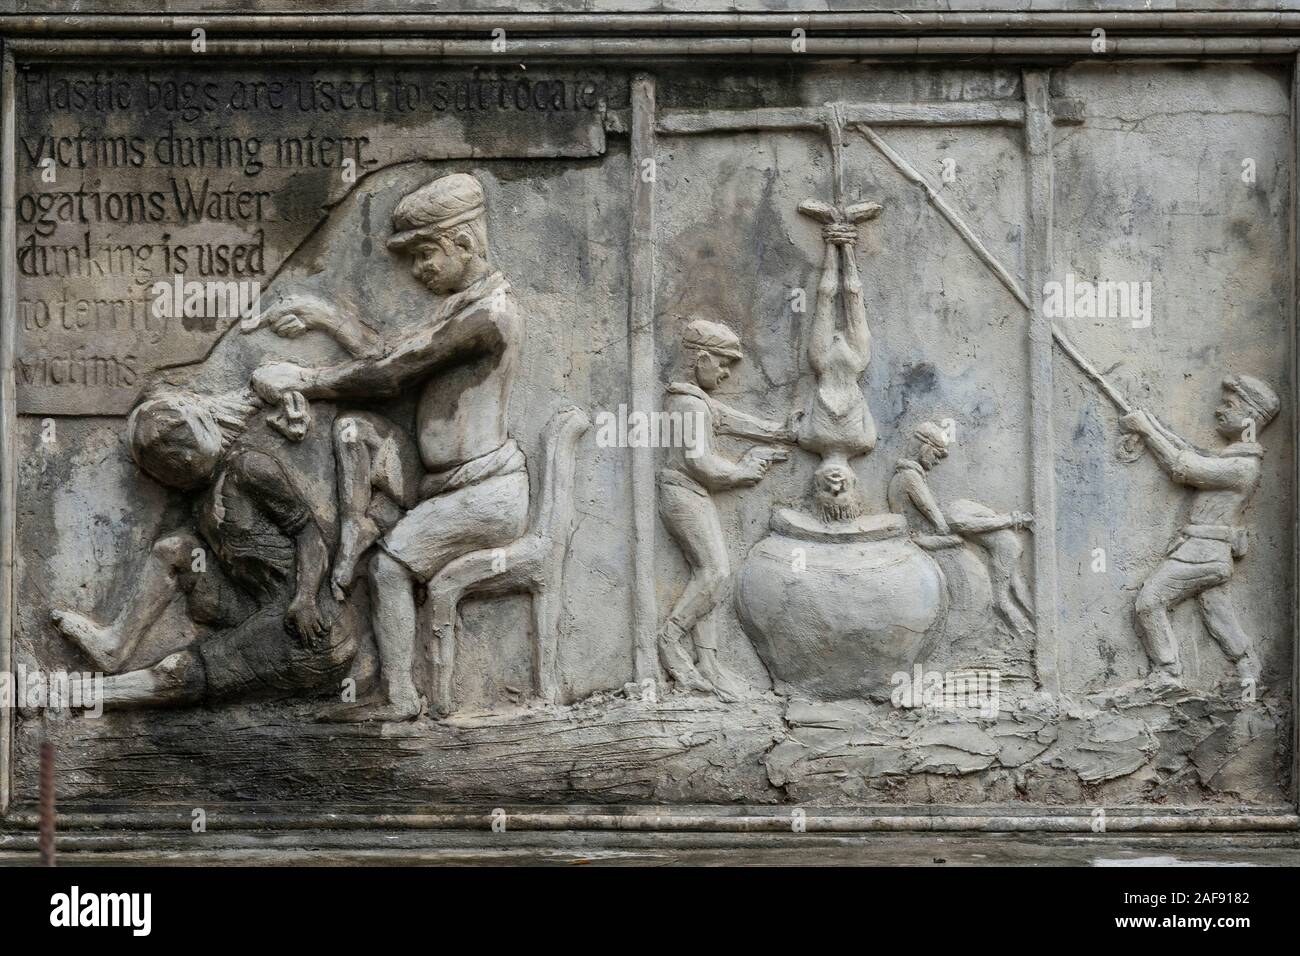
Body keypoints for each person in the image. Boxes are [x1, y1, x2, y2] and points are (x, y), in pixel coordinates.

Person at [251, 173, 528, 720]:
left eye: (425, 256)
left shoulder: (488, 315)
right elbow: (391, 357)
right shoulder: (461, 304)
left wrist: (302, 379)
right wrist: (328, 318)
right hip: (438, 485)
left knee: (388, 569)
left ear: (464, 243)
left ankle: (400, 698)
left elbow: (392, 375)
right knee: (353, 429)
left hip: (485, 494)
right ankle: (357, 527)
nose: (418, 271)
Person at [50, 388, 357, 706]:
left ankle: (76, 696)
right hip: (253, 605)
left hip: (310, 630)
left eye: (179, 445)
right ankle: (112, 647)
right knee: (175, 549)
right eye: (161, 462)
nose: (179, 460)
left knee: (178, 673)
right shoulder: (202, 496)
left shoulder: (252, 468)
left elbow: (309, 534)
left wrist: (305, 598)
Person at [658, 319, 793, 700]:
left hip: (691, 494)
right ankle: (670, 642)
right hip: (683, 493)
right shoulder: (686, 404)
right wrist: (743, 471)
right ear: (700, 358)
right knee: (714, 574)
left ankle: (709, 662)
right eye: (722, 363)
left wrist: (781, 430)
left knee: (710, 577)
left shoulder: (694, 400)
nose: (727, 372)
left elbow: (733, 421)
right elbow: (699, 463)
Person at [1120, 374, 1280, 685]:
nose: (1219, 410)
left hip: (1202, 553)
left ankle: (1167, 673)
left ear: (1249, 417)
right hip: (1207, 551)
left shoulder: (1242, 467)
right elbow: (1188, 452)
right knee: (1217, 611)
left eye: (1229, 405)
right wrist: (1154, 426)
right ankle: (1248, 671)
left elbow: (1183, 468)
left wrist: (1147, 431)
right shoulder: (1233, 458)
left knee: (1150, 602)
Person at [887, 422, 1034, 636]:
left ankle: (1026, 630)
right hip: (915, 541)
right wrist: (958, 527)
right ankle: (1022, 631)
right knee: (1000, 592)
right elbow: (939, 522)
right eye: (936, 455)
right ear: (924, 449)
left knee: (1009, 589)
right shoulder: (911, 478)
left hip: (914, 539)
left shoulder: (906, 476)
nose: (937, 461)